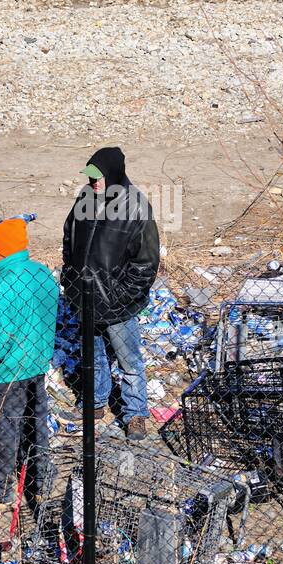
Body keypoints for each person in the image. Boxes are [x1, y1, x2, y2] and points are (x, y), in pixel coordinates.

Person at [59, 147, 160, 441]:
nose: (92, 182)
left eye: (97, 177)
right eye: (89, 177)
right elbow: (69, 236)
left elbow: (146, 263)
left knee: (129, 361)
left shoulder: (136, 207)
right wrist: (71, 276)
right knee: (93, 357)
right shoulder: (85, 199)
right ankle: (95, 404)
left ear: (114, 174)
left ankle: (136, 414)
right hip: (85, 298)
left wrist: (121, 296)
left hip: (117, 305)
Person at [0, 217, 59, 508]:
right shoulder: (42, 274)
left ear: (2, 251)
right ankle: (40, 482)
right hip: (37, 364)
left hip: (6, 373)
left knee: (2, 429)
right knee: (36, 424)